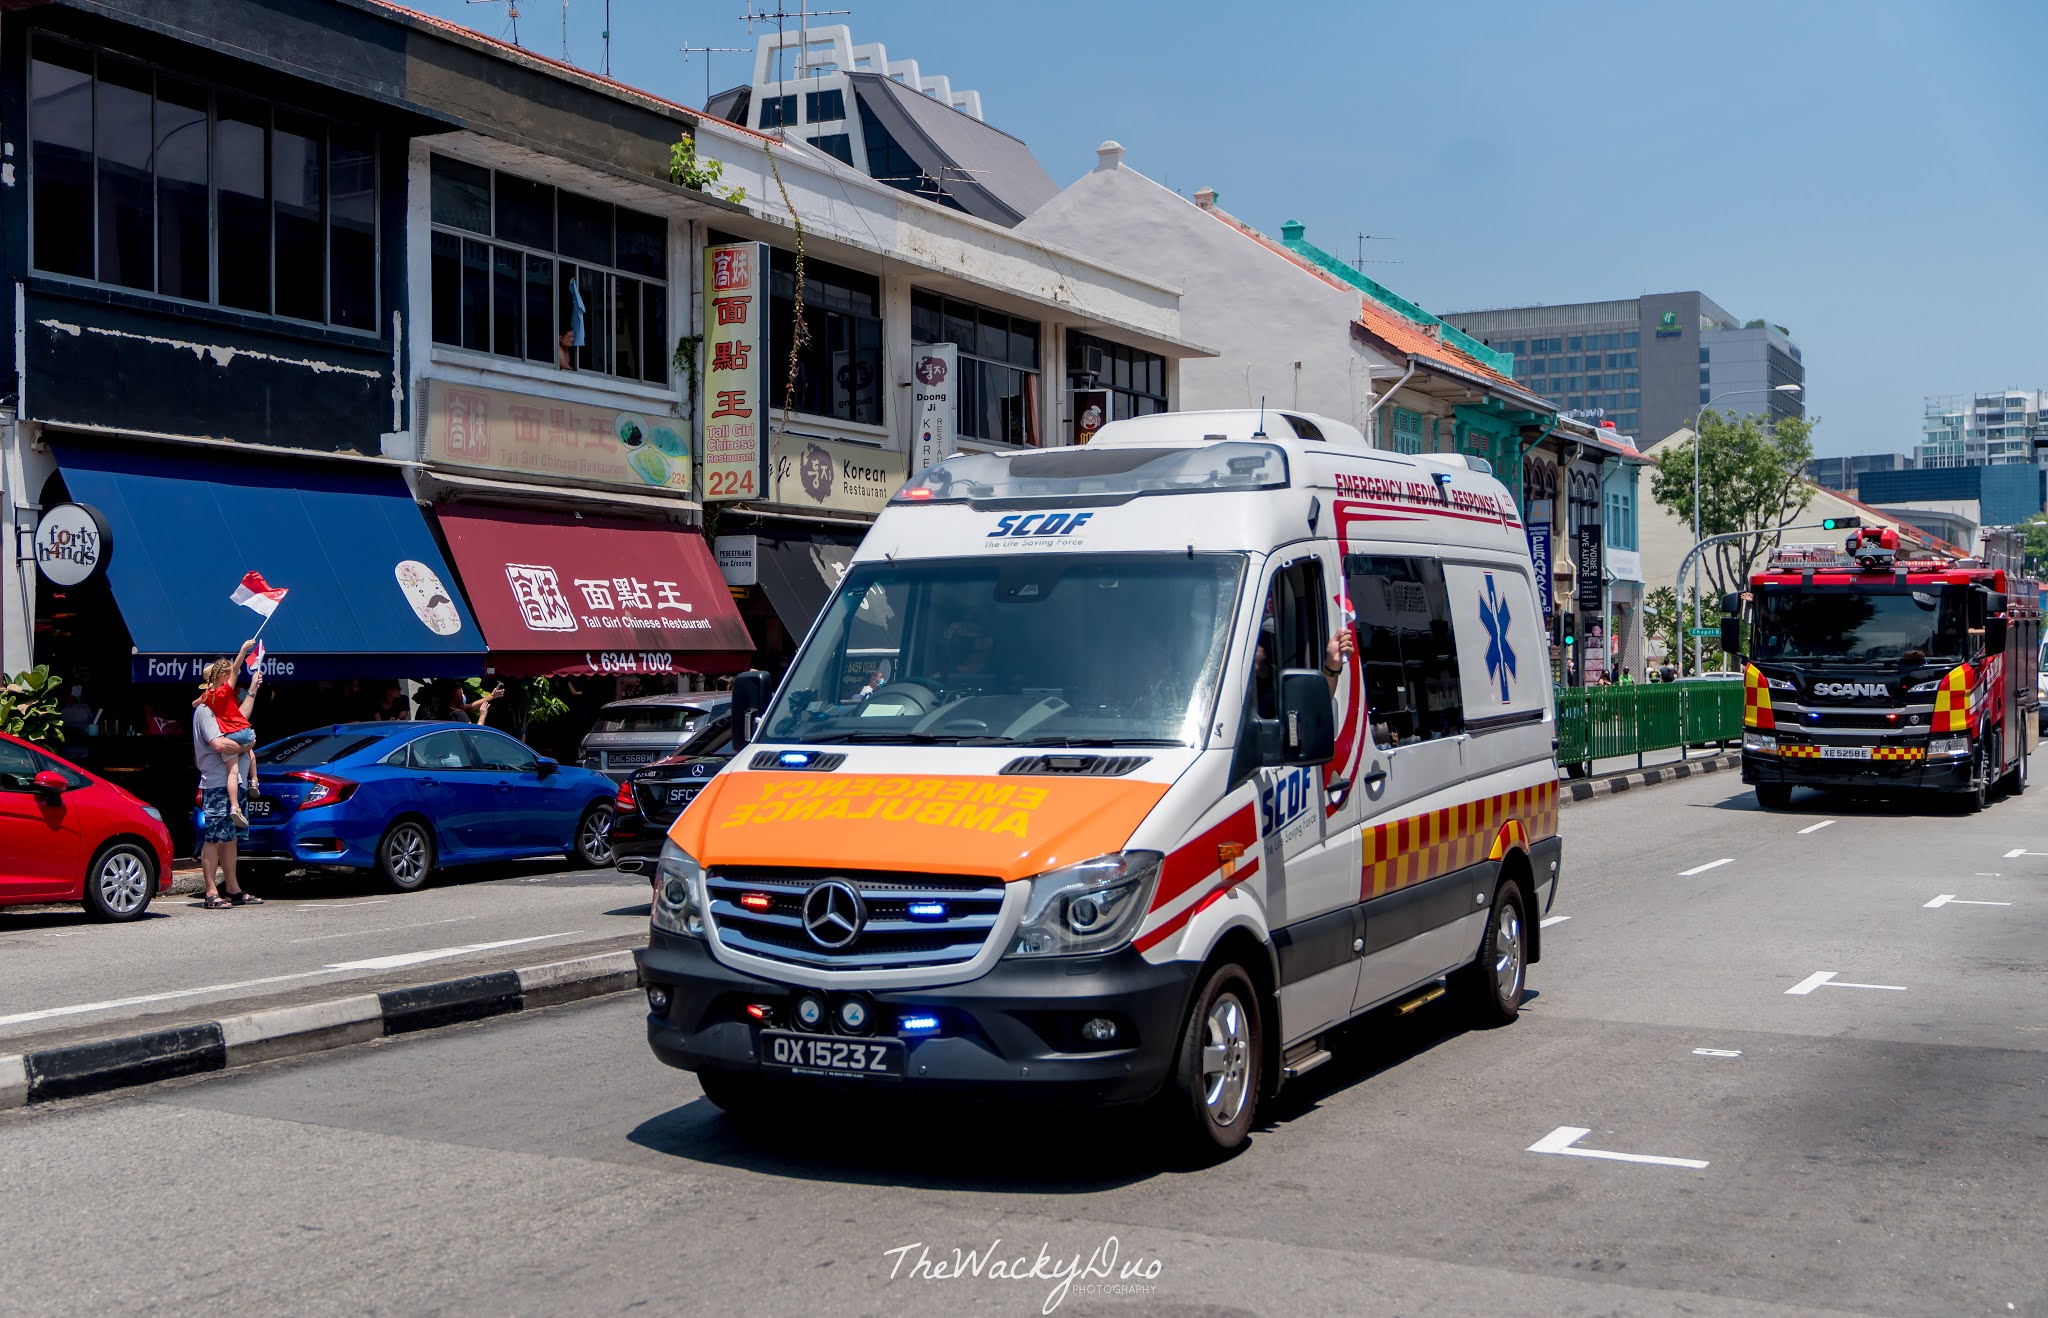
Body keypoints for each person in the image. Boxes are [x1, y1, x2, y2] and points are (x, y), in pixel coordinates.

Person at [192, 688, 263, 908]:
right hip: (216, 784)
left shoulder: (225, 711)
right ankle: (211, 892)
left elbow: (243, 717)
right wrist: (246, 746)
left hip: (237, 782)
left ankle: (232, 888)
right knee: (213, 838)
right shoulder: (205, 710)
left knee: (231, 838)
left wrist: (253, 689)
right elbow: (218, 744)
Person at [193, 641, 260, 828]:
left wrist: (201, 698)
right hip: (242, 732)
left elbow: (194, 703)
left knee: (233, 771)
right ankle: (254, 781)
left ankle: (235, 807)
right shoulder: (226, 690)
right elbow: (237, 667)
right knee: (251, 750)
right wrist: (243, 650)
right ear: (224, 677)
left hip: (228, 734)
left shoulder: (207, 698)